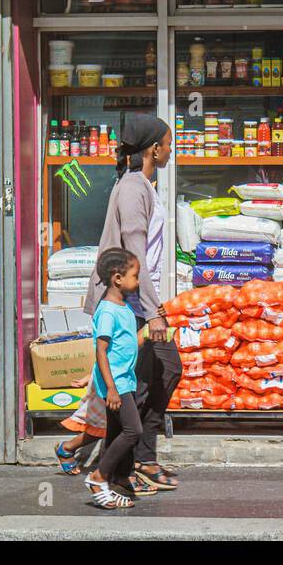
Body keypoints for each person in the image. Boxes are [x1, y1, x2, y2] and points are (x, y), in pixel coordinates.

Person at [83, 114, 180, 493]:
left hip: (138, 299)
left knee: (159, 374)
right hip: (129, 302)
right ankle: (118, 470)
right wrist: (154, 310)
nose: (171, 150)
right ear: (154, 149)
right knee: (140, 381)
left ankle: (139, 459)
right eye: (168, 143)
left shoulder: (142, 184)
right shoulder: (132, 189)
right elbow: (135, 253)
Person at [83, 248, 145, 509]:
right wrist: (110, 388)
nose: (138, 281)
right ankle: (98, 477)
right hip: (116, 383)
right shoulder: (108, 311)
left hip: (124, 380)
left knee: (117, 432)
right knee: (133, 431)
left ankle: (116, 483)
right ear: (118, 278)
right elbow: (101, 350)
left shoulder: (124, 308)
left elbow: (128, 344)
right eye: (135, 275)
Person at [55, 375, 104, 474]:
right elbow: (108, 360)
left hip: (130, 380)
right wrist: (90, 377)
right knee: (104, 425)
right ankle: (67, 448)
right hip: (113, 382)